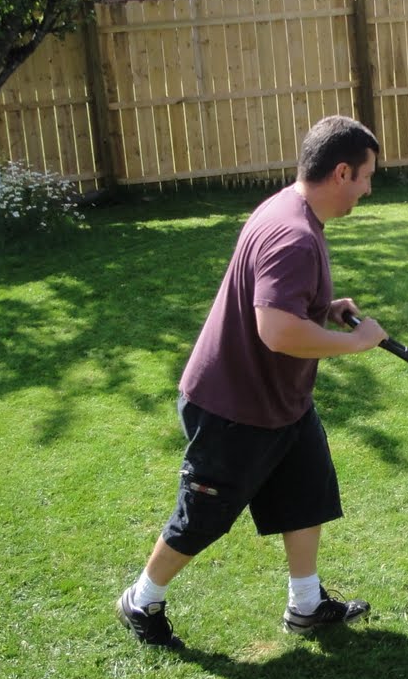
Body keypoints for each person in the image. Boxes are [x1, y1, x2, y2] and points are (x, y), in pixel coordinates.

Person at [117, 115, 389, 647]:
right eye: (365, 177)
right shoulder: (293, 235)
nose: (368, 188)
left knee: (307, 493)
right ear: (340, 172)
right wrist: (355, 343)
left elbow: (280, 305)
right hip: (234, 406)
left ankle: (306, 606)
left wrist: (322, 307)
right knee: (203, 517)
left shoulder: (289, 208)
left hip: (280, 401)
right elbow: (277, 331)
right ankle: (141, 599)